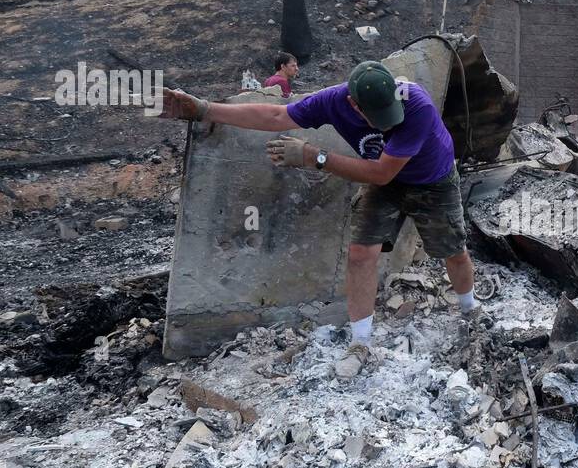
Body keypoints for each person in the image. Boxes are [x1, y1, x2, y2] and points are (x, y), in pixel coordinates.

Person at [153, 61, 479, 375]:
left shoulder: (416, 105)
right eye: (377, 117)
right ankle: (361, 343)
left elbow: (380, 172)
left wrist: (315, 157)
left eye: (389, 114)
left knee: (453, 251)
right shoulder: (333, 101)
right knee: (361, 253)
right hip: (389, 183)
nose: (387, 122)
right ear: (354, 104)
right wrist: (205, 110)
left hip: (432, 180)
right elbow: (277, 115)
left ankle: (470, 311)